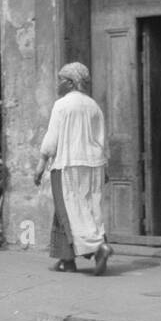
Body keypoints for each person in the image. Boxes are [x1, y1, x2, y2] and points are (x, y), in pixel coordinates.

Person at [33, 62, 112, 275]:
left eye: (61, 80)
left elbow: (52, 139)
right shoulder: (93, 106)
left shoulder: (62, 105)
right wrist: (105, 167)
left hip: (68, 164)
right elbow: (102, 139)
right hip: (93, 164)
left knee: (70, 211)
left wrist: (40, 166)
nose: (58, 84)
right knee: (88, 209)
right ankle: (66, 260)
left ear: (70, 83)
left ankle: (98, 248)